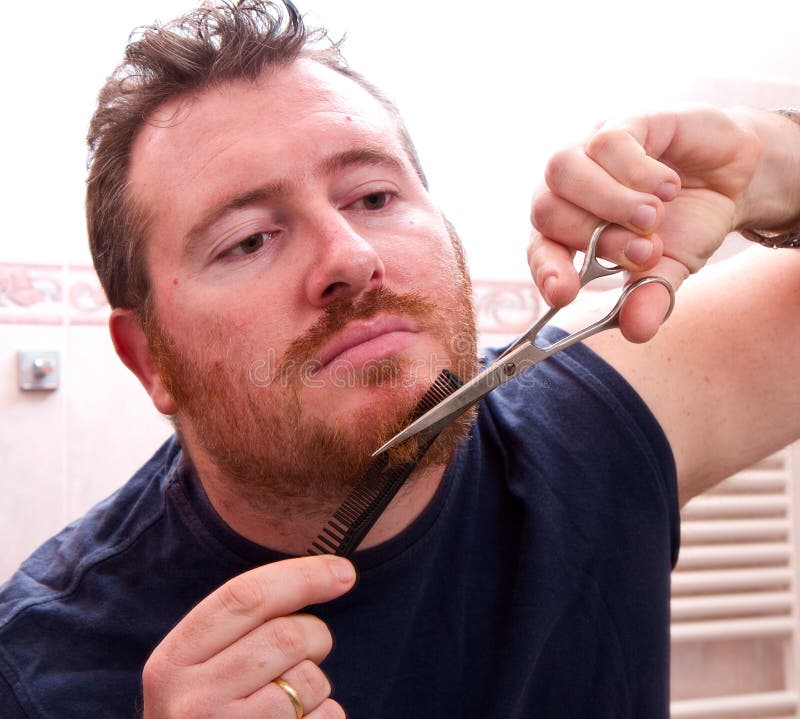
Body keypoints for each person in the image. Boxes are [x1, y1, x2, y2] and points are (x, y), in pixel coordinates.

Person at [1, 2, 799, 717]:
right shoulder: (39, 670)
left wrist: (774, 163)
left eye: (374, 197)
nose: (349, 256)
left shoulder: (601, 416)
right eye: (248, 240)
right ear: (150, 361)